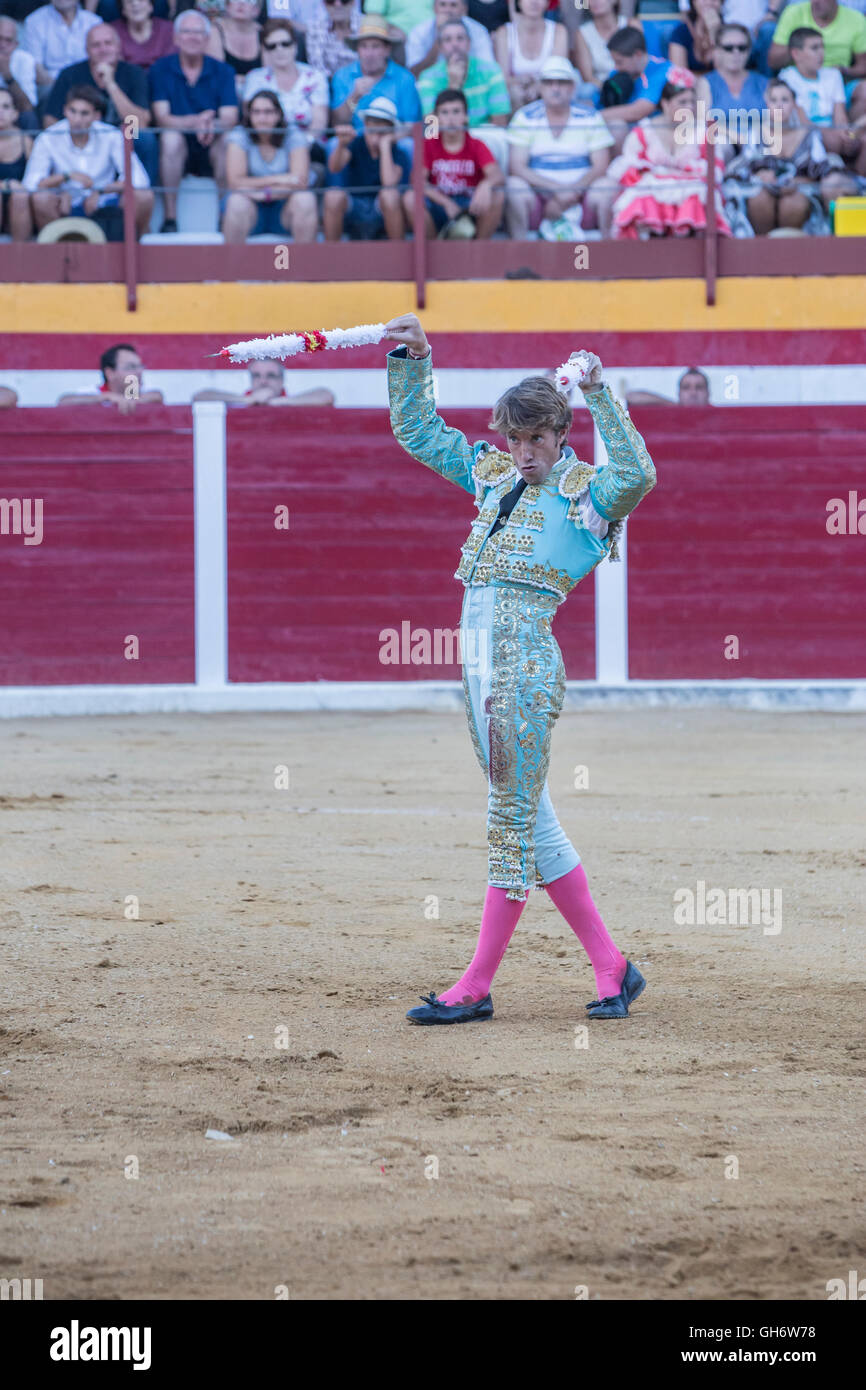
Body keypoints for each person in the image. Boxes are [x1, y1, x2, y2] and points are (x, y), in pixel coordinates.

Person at [383, 311, 656, 1025]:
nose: (524, 450)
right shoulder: (494, 473)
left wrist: (600, 391)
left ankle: (475, 985)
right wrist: (414, 358)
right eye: (516, 437)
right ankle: (612, 968)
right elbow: (418, 433)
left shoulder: (589, 495)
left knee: (509, 819)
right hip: (476, 666)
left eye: (537, 438)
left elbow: (640, 472)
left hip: (523, 665)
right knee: (531, 820)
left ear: (560, 435)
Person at [722, 74, 856, 229]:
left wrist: (800, 182)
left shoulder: (809, 134)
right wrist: (759, 176)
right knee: (760, 199)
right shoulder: (756, 133)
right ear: (767, 104)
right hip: (762, 191)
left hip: (799, 193)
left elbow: (822, 170)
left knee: (793, 203)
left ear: (793, 104)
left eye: (785, 100)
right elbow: (742, 167)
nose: (779, 105)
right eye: (774, 100)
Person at [607, 72, 734, 235]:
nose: (689, 108)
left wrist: (683, 172)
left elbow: (715, 170)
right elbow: (629, 170)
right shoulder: (643, 132)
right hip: (652, 191)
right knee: (640, 201)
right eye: (682, 102)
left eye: (692, 102)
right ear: (665, 104)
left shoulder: (703, 132)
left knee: (699, 200)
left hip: (693, 191)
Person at [506, 55, 615, 239]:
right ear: (540, 87)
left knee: (608, 186)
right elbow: (517, 167)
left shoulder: (590, 116)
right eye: (549, 83)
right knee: (513, 186)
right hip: (539, 199)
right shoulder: (525, 116)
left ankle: (611, 259)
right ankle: (519, 257)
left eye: (561, 83)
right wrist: (556, 190)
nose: (555, 88)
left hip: (582, 197)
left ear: (572, 87)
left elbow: (601, 166)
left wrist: (572, 192)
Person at [149, 10, 238, 232]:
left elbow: (229, 118)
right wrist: (199, 120)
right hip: (176, 151)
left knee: (229, 139)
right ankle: (170, 218)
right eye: (186, 32)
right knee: (170, 139)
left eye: (198, 33)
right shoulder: (159, 69)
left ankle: (224, 215)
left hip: (212, 145)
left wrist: (210, 125)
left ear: (207, 39)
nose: (192, 37)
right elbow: (162, 118)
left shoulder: (224, 71)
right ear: (176, 38)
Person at [23, 83, 153, 233]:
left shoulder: (111, 135)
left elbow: (139, 180)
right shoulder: (48, 137)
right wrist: (65, 178)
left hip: (105, 206)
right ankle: (56, 250)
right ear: (65, 110)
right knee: (41, 198)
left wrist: (100, 191)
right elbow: (30, 184)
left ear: (96, 116)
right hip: (63, 205)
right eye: (73, 111)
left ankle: (131, 251)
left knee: (143, 196)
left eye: (84, 113)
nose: (77, 119)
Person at [403, 84, 504, 234]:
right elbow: (417, 180)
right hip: (438, 204)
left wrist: (486, 185)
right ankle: (431, 251)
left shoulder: (476, 144)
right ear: (436, 118)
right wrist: (446, 203)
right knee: (410, 198)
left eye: (456, 112)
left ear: (465, 116)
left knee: (497, 194)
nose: (450, 119)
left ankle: (478, 252)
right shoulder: (429, 144)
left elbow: (497, 176)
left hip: (471, 204)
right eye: (444, 112)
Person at [221, 87, 317, 239]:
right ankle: (231, 262)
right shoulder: (239, 135)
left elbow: (300, 182)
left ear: (279, 114)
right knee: (236, 202)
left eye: (268, 112)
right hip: (251, 208)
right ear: (249, 115)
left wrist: (262, 192)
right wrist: (279, 179)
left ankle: (304, 262)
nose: (262, 118)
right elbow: (235, 182)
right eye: (256, 112)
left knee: (305, 199)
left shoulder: (293, 135)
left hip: (284, 208)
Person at [323, 93, 409, 237]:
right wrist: (341, 145)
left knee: (390, 195)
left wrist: (385, 146)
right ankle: (331, 256)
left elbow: (389, 183)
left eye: (381, 130)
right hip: (354, 205)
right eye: (372, 128)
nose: (375, 135)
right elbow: (334, 168)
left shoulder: (398, 152)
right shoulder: (356, 143)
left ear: (390, 131)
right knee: (332, 195)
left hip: (380, 208)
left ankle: (398, 254)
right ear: (366, 125)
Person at [779, 23, 866, 165]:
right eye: (815, 48)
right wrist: (833, 135)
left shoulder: (833, 75)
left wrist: (847, 135)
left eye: (822, 47)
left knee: (858, 139)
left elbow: (840, 116)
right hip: (805, 134)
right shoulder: (787, 78)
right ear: (796, 54)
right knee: (822, 137)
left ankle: (858, 180)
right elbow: (803, 123)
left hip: (834, 132)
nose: (821, 53)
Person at [768, 0, 866, 125]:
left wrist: (844, 70)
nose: (816, 2)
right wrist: (799, 45)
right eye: (815, 48)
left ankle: (850, 135)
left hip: (841, 78)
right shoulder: (794, 13)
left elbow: (864, 65)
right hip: (800, 76)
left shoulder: (856, 19)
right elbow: (772, 60)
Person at [330, 14, 421, 131]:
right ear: (357, 50)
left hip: (395, 140)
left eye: (375, 46)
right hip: (355, 140)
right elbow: (339, 122)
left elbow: (412, 125)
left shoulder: (405, 78)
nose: (369, 53)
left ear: (387, 50)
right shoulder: (343, 76)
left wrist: (387, 141)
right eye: (364, 46)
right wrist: (354, 97)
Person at [242, 16, 328, 139]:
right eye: (272, 46)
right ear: (265, 50)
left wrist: (300, 148)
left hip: (308, 145)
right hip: (265, 146)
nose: (279, 50)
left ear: (295, 45)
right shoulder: (255, 79)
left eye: (285, 44)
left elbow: (319, 123)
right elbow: (250, 121)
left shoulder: (315, 77)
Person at [416, 16, 511, 125]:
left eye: (460, 38)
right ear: (441, 47)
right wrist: (453, 87)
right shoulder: (428, 77)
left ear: (469, 44)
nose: (455, 44)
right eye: (448, 39)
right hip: (445, 138)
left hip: (483, 136)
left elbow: (500, 123)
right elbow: (431, 129)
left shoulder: (491, 71)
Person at [600, 25, 673, 143]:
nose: (616, 67)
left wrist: (594, 117)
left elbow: (639, 111)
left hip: (655, 133)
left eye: (619, 62)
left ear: (638, 54)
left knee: (617, 126)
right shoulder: (619, 72)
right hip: (630, 129)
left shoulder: (663, 70)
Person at [694, 23, 769, 134]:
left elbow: (772, 123)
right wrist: (737, 138)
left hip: (758, 144)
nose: (736, 52)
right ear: (717, 51)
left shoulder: (763, 83)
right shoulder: (705, 83)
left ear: (748, 51)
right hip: (719, 142)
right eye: (728, 48)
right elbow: (704, 123)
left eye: (742, 48)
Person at [493, 0, 569, 110]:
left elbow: (558, 72)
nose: (534, 2)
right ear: (518, 3)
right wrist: (520, 81)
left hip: (550, 89)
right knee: (514, 93)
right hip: (516, 96)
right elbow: (502, 78)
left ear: (548, 3)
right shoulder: (504, 32)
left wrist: (539, 85)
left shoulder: (559, 31)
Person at [22, 0, 101, 94]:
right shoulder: (34, 21)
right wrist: (62, 89)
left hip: (89, 85)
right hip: (52, 86)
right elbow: (36, 67)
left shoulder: (94, 21)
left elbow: (100, 61)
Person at [57, 341, 164, 409]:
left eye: (140, 366)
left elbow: (157, 396)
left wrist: (129, 399)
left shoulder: (142, 391)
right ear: (110, 373)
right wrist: (106, 397)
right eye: (131, 367)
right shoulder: (93, 393)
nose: (139, 372)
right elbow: (64, 402)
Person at [406, 0, 494, 78]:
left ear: (464, 9)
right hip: (432, 84)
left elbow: (488, 68)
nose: (447, 10)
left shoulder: (478, 31)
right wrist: (439, 36)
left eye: (453, 5)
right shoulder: (418, 32)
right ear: (434, 8)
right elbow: (414, 73)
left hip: (471, 81)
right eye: (443, 5)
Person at [193, 356, 336, 403]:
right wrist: (247, 400)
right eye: (257, 376)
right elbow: (200, 397)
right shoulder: (240, 402)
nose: (263, 381)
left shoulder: (292, 402)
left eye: (271, 376)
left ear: (281, 380)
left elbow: (326, 396)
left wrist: (278, 402)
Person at [572, 0, 642, 91]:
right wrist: (611, 90)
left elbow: (641, 63)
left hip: (632, 85)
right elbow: (588, 77)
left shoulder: (631, 24)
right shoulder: (582, 33)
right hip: (601, 89)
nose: (595, 2)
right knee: (587, 90)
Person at [206, 0, 262, 100]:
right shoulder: (214, 31)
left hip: (258, 96)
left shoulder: (264, 33)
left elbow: (269, 75)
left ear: (257, 10)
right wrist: (252, 79)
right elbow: (217, 73)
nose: (241, 3)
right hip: (222, 95)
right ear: (227, 6)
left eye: (248, 0)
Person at [0, 86, 33, 239]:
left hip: (22, 204)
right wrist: (6, 185)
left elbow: (36, 179)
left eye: (5, 106)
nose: (0, 111)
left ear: (15, 114)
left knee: (20, 195)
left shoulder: (26, 142)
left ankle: (21, 256)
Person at [302, 0, 361, 80]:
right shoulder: (314, 28)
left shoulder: (366, 25)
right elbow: (317, 68)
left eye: (344, 1)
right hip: (328, 85)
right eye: (330, 1)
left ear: (353, 2)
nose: (337, 4)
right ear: (324, 3)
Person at [111, 0, 176, 72]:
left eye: (141, 0)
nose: (135, 4)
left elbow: (171, 63)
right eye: (129, 1)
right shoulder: (112, 31)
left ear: (151, 6)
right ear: (123, 9)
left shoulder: (168, 29)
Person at [0, 13, 38, 122]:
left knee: (28, 117)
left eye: (8, 40)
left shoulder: (25, 60)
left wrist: (7, 75)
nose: (2, 44)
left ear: (16, 44)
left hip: (13, 115)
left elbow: (27, 106)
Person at [668, 0, 724, 72]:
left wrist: (715, 33)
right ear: (693, 2)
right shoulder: (681, 32)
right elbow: (680, 76)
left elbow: (726, 75)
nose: (708, 2)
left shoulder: (732, 34)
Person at [627, 366, 712, 403]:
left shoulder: (718, 416)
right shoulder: (672, 412)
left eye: (699, 387)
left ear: (708, 393)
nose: (693, 393)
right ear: (679, 393)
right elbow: (631, 397)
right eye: (686, 387)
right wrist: (677, 405)